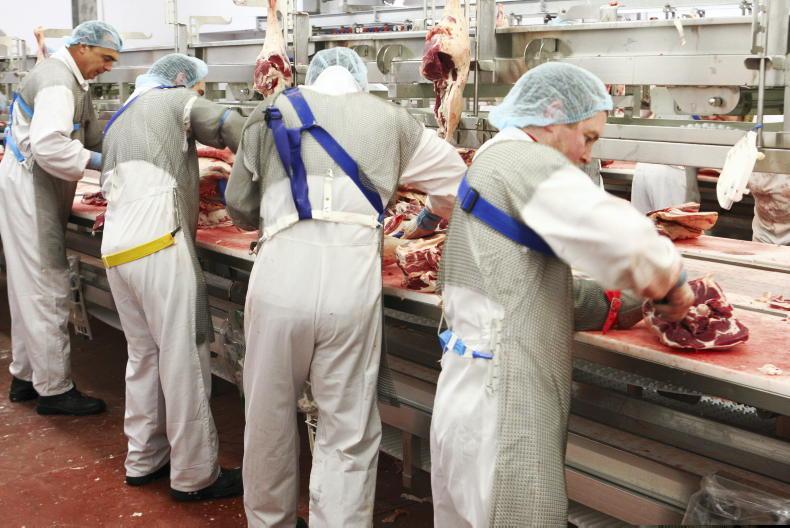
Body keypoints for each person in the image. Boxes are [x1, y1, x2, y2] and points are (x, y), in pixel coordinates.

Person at [430, 62, 694, 527]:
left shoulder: (492, 158)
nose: (588, 155)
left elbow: (520, 282)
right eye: (587, 137)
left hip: (464, 387)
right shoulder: (525, 161)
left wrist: (621, 305)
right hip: (504, 400)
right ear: (552, 113)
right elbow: (624, 238)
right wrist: (673, 283)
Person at [226, 47, 466, 527]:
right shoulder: (392, 120)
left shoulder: (270, 111)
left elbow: (238, 205)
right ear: (360, 80)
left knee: (268, 415)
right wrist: (424, 219)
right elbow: (458, 187)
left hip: (279, 273)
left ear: (312, 75)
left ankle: (269, 521)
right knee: (347, 425)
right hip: (351, 280)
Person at [99, 54, 245, 500]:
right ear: (182, 80)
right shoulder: (174, 98)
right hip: (159, 245)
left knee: (143, 357)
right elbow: (228, 123)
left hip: (118, 250)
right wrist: (265, 160)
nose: (199, 93)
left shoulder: (122, 115)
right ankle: (195, 476)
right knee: (184, 360)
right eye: (199, 86)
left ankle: (144, 459)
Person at [0, 21, 121, 415]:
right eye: (105, 58)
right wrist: (101, 162)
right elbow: (51, 146)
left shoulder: (70, 78)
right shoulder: (57, 81)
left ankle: (25, 376)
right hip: (32, 188)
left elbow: (88, 134)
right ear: (82, 47)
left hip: (31, 185)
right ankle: (54, 391)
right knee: (46, 287)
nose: (109, 67)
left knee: (26, 287)